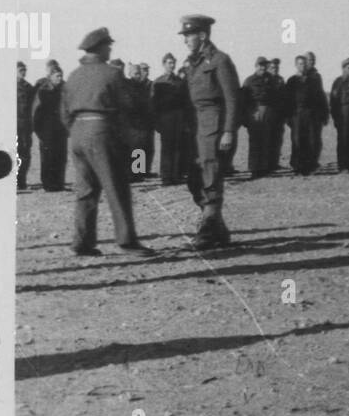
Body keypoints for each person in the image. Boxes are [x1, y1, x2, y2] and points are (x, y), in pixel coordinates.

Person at [60, 28, 152, 257]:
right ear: (100, 48)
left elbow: (64, 113)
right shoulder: (111, 74)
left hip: (77, 134)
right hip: (102, 132)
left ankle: (82, 243)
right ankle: (126, 241)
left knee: (85, 190)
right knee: (117, 187)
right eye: (108, 45)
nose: (110, 49)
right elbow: (126, 106)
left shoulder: (73, 75)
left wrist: (77, 130)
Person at [179, 14, 240, 249]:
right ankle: (219, 230)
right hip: (196, 127)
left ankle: (207, 232)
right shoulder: (192, 63)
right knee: (195, 178)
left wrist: (228, 131)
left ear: (202, 36)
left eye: (188, 35)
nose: (185, 40)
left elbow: (232, 99)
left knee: (211, 175)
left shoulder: (220, 61)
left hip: (214, 125)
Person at [286, 54, 328, 176]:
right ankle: (297, 166)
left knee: (311, 140)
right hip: (297, 114)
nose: (302, 66)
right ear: (296, 65)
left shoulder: (313, 80)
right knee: (297, 140)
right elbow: (286, 100)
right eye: (299, 64)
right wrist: (289, 117)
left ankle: (309, 166)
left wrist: (324, 113)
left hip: (311, 114)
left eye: (304, 64)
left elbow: (320, 97)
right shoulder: (292, 80)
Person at [152, 52, 189, 185]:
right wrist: (157, 122)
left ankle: (176, 174)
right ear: (163, 64)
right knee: (167, 147)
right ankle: (166, 176)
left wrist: (185, 121)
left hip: (178, 117)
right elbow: (154, 104)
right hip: (165, 118)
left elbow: (186, 102)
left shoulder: (180, 82)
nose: (171, 65)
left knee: (178, 146)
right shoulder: (158, 82)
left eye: (173, 63)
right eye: (169, 63)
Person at [32, 64, 69, 191]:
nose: (60, 78)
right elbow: (35, 112)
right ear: (50, 77)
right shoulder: (43, 91)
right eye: (57, 76)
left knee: (61, 157)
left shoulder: (63, 91)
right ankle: (48, 185)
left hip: (61, 130)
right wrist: (39, 131)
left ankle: (59, 183)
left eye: (61, 76)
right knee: (48, 158)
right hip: (46, 131)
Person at [241, 56, 278, 178]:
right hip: (254, 111)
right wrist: (246, 117)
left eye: (264, 65)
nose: (263, 67)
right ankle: (254, 169)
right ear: (256, 66)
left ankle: (264, 167)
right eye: (260, 65)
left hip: (268, 111)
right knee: (255, 141)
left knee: (266, 139)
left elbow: (275, 96)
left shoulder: (271, 79)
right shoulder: (249, 80)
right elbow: (243, 99)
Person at [303, 51, 329, 169]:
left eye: (313, 60)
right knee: (304, 138)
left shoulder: (317, 76)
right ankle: (305, 163)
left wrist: (325, 113)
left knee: (316, 139)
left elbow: (321, 95)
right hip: (304, 114)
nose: (311, 62)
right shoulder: (300, 76)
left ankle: (314, 161)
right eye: (309, 60)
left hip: (316, 113)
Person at [265, 57, 288, 171]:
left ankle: (274, 163)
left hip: (279, 115)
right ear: (268, 68)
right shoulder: (265, 80)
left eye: (277, 67)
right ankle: (267, 164)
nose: (275, 69)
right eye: (273, 67)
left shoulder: (280, 80)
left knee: (277, 139)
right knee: (267, 139)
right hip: (268, 115)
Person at [16, 62, 34, 190]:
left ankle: (21, 181)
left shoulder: (29, 88)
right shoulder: (7, 86)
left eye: (24, 70)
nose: (23, 72)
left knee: (25, 153)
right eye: (21, 69)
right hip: (13, 125)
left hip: (25, 126)